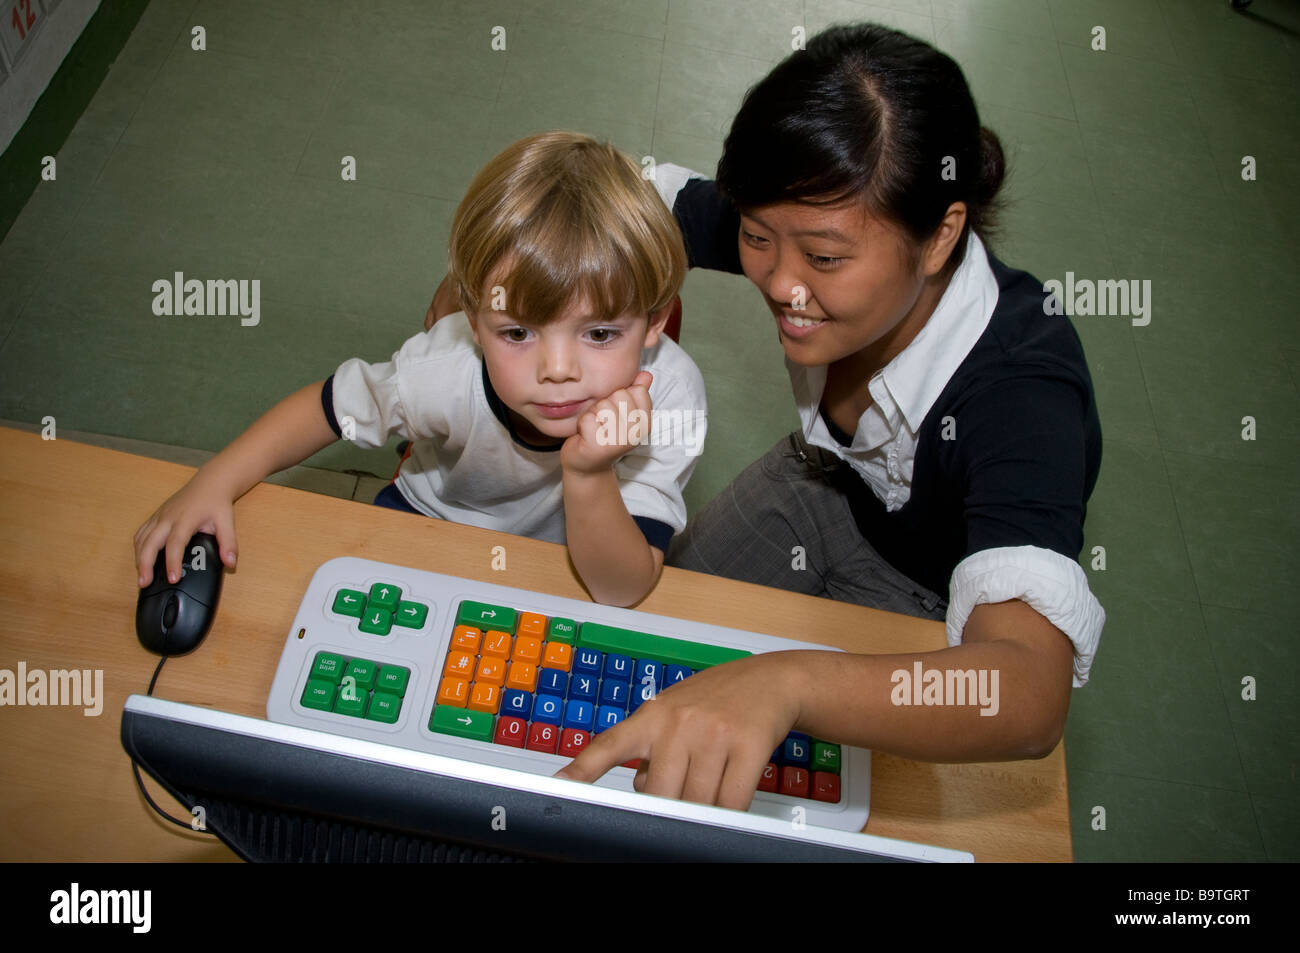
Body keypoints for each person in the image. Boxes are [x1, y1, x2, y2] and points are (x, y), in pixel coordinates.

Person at [427, 24, 1104, 811]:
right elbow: (601, 211)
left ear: (940, 236)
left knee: (837, 790)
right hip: (818, 482)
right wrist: (474, 300)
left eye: (823, 260)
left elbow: (1021, 694)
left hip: (934, 588)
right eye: (754, 238)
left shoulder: (1025, 390)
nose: (781, 283)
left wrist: (792, 678)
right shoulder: (798, 219)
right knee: (655, 643)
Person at [134, 132, 706, 608]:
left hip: (574, 562)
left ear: (655, 321)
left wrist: (588, 475)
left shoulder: (674, 398)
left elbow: (620, 589)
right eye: (517, 333)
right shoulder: (444, 365)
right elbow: (323, 409)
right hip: (426, 520)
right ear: (474, 318)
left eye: (600, 333)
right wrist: (214, 482)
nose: (557, 371)